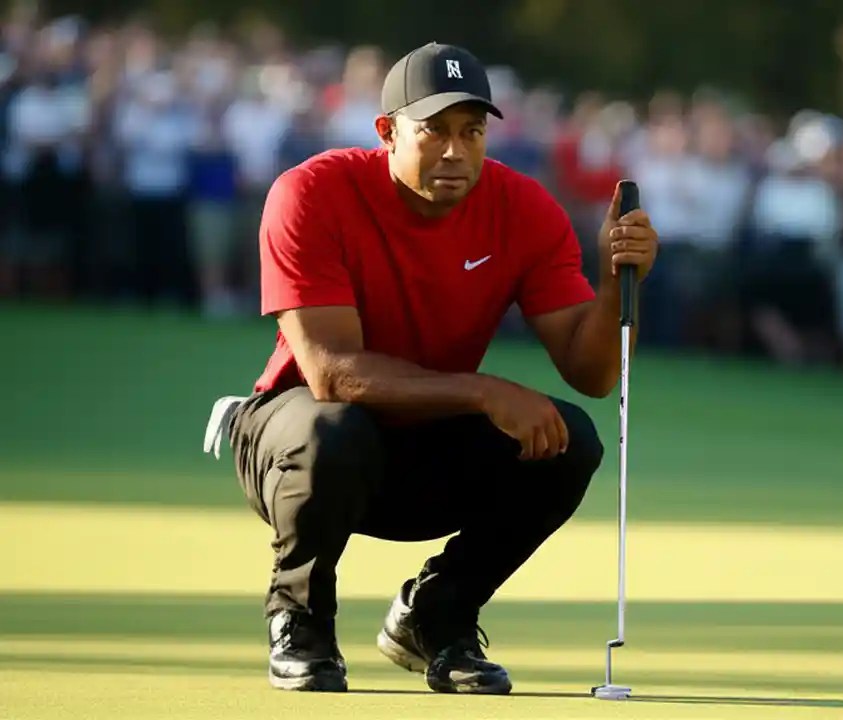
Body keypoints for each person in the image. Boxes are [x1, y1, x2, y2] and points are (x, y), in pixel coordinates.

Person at [200, 42, 659, 694]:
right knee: (336, 428)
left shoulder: (522, 208)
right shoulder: (310, 193)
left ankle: (437, 616)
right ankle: (300, 621)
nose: (455, 151)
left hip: (423, 440)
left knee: (567, 441)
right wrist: (481, 391)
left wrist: (617, 283)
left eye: (471, 132)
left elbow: (592, 374)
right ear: (387, 132)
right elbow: (331, 374)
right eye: (434, 131)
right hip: (297, 441)